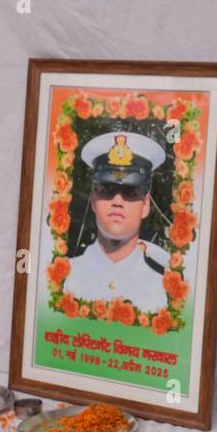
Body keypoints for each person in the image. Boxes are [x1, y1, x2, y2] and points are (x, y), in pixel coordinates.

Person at [63, 131, 169, 310]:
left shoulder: (166, 287)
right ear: (94, 200)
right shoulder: (63, 278)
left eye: (130, 192)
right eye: (108, 190)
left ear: (145, 206)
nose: (117, 201)